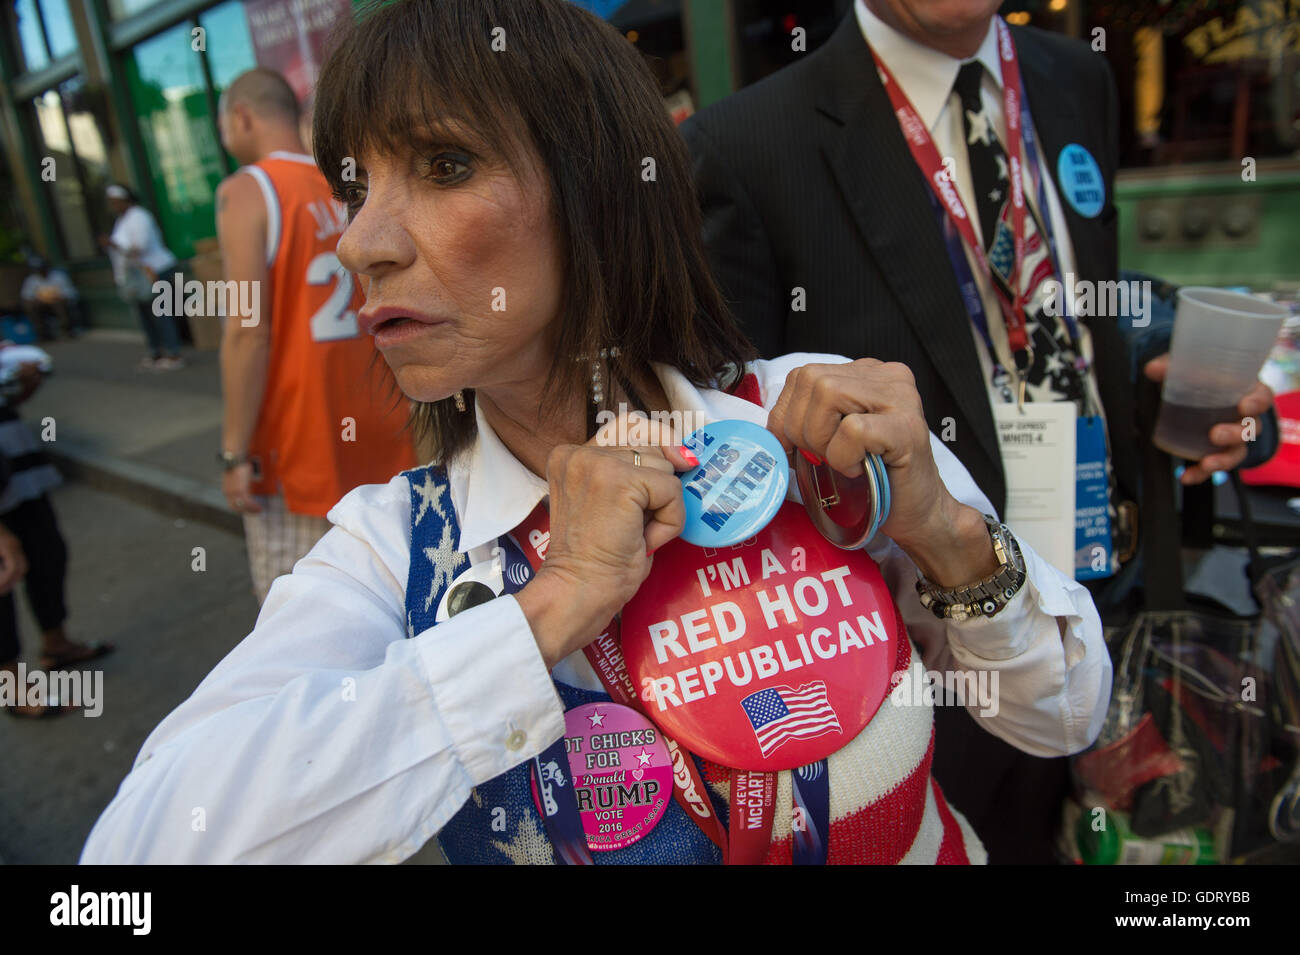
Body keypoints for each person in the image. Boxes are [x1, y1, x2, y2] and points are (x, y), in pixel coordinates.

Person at [80, 0, 1109, 865]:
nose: (359, 241)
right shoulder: (394, 550)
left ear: (599, 189)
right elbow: (138, 854)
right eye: (353, 186)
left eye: (441, 165)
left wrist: (944, 532)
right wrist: (542, 616)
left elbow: (1060, 715)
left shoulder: (800, 426)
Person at [678, 0, 1276, 862]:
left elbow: (1051, 315)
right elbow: (746, 458)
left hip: (1112, 601)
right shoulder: (745, 145)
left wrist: (1167, 380)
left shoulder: (1077, 77)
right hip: (944, 670)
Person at [214, 68, 416, 604]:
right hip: (384, 421)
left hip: (299, 439)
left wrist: (234, 452)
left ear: (241, 118)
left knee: (302, 616)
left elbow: (246, 332)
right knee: (395, 593)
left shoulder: (246, 191)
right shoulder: (349, 180)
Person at [0, 347, 111, 718]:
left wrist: (25, 383)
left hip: (15, 463)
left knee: (48, 553)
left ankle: (56, 643)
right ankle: (13, 690)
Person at [100, 185, 183, 371]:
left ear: (125, 200)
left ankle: (174, 352)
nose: (113, 206)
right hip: (137, 276)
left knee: (161, 312)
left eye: (115, 202)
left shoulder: (140, 216)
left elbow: (139, 247)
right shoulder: (122, 221)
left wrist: (112, 244)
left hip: (155, 270)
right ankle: (156, 352)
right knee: (145, 315)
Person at [20, 257, 84, 340]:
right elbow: (26, 295)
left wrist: (55, 296)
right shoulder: (32, 280)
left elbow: (70, 292)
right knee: (29, 306)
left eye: (42, 268)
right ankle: (42, 333)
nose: (41, 271)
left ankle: (65, 330)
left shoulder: (58, 276)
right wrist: (39, 299)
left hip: (58, 301)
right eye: (38, 269)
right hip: (40, 304)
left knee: (59, 304)